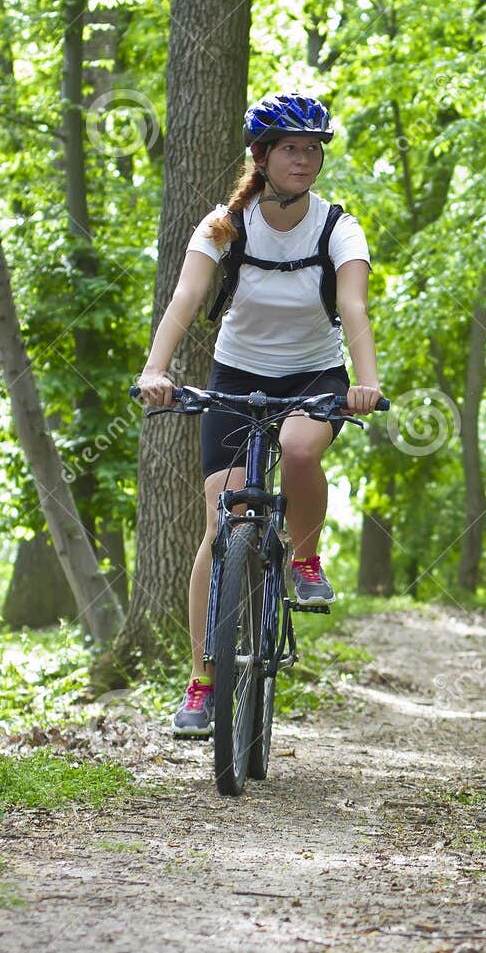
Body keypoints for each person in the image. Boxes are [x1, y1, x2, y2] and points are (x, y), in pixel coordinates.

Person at [136, 92, 383, 737]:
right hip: (236, 374)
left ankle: (304, 561)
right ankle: (201, 681)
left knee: (300, 450)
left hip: (315, 372)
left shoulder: (338, 227)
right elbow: (187, 296)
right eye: (292, 149)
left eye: (314, 149)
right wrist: (155, 371)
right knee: (221, 527)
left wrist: (367, 382)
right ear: (263, 156)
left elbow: (354, 309)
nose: (306, 159)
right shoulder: (223, 225)